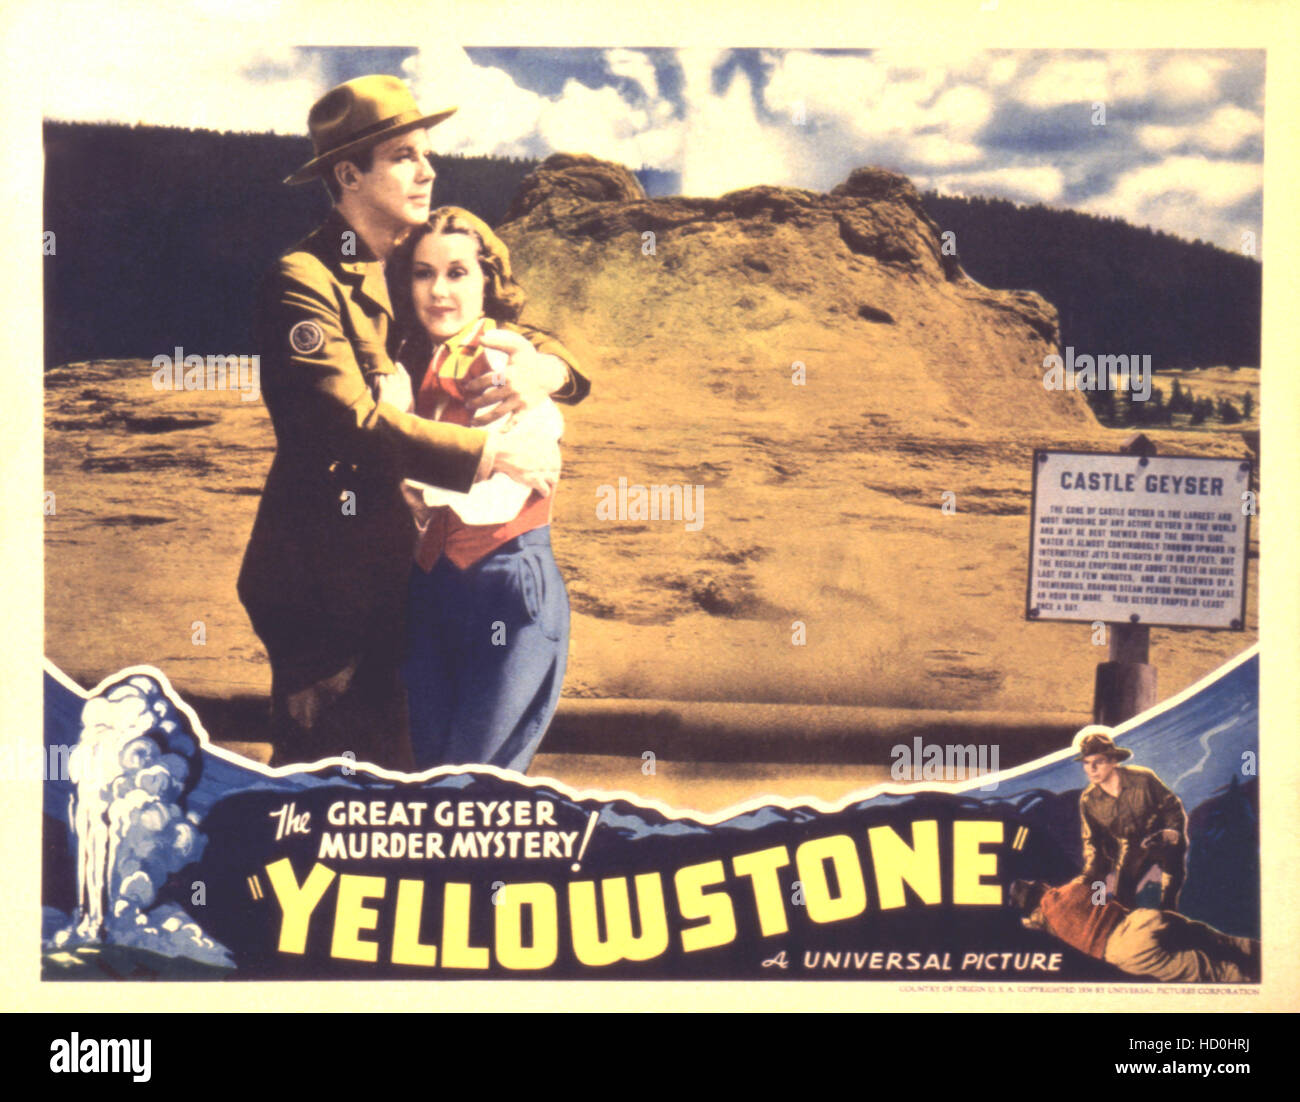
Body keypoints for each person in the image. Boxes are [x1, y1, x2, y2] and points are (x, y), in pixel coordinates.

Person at [237, 75, 583, 770]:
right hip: (328, 617)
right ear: (347, 174)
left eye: (427, 153)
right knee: (322, 816)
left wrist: (547, 371)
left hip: (411, 602)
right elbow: (348, 421)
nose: (428, 170)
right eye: (403, 155)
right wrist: (490, 455)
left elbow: (511, 324)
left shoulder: (408, 264)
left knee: (416, 819)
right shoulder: (305, 278)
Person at [384, 207, 589, 773]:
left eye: (458, 273)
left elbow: (499, 495)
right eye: (423, 274)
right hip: (427, 594)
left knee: (474, 788)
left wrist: (415, 483)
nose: (439, 291)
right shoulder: (401, 359)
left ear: (487, 282)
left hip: (508, 585)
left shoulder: (512, 360)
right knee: (427, 782)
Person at [1010, 877, 1259, 983]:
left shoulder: (1046, 924)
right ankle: (1262, 953)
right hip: (1139, 920)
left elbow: (1032, 922)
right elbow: (1101, 892)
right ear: (1041, 885)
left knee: (1214, 973)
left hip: (1124, 951)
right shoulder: (1073, 888)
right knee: (1213, 939)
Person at [1074, 730, 1188, 909]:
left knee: (1169, 896)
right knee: (1122, 900)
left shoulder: (1143, 778)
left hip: (1162, 840)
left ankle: (1170, 912)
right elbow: (1093, 843)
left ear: (1113, 761)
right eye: (1087, 763)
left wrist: (1172, 831)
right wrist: (1088, 875)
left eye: (1099, 762)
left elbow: (1171, 806)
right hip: (1131, 848)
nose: (1092, 769)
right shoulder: (1089, 800)